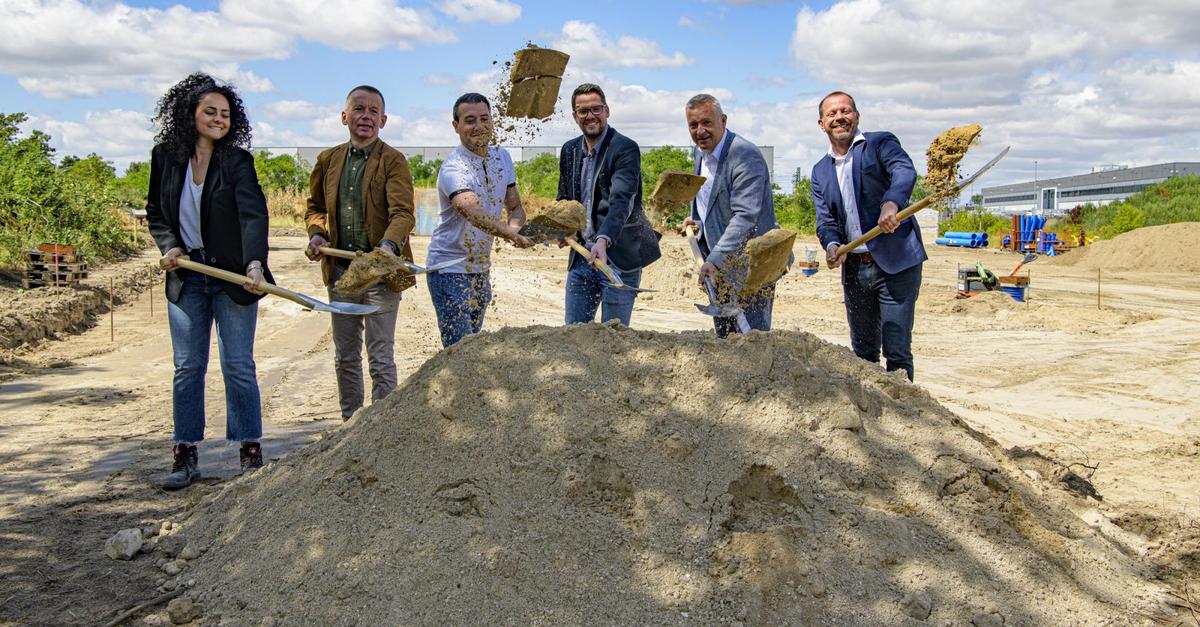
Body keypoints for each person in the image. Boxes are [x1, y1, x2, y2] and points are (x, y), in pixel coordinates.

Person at [145, 73, 271, 490]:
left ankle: (249, 451)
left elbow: (253, 215)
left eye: (225, 114)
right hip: (187, 277)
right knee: (187, 367)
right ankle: (185, 455)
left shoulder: (236, 161)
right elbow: (156, 212)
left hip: (232, 276)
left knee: (238, 365)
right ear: (191, 113)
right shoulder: (165, 157)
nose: (219, 119)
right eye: (210, 112)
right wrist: (169, 246)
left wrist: (254, 263)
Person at [304, 85, 416, 420]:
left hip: (381, 273)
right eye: (358, 109)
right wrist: (316, 235)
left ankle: (381, 428)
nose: (365, 116)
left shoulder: (393, 161)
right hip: (342, 274)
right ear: (344, 116)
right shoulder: (328, 161)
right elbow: (315, 209)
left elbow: (403, 214)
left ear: (383, 120)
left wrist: (387, 246)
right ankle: (350, 426)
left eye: (372, 111)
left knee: (381, 356)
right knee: (346, 355)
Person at [810, 91, 924, 381]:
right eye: (832, 114)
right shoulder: (820, 172)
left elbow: (903, 170)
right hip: (856, 270)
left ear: (856, 116)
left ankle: (906, 415)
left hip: (896, 264)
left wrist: (892, 202)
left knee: (897, 350)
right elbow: (825, 221)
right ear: (822, 124)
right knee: (862, 352)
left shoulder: (879, 144)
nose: (840, 117)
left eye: (845, 111)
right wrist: (833, 245)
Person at [426, 92, 533, 347]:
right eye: (470, 120)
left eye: (484, 119)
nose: (479, 127)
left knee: (472, 348)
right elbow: (472, 211)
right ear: (456, 126)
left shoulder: (502, 157)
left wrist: (515, 226)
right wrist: (509, 233)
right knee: (460, 352)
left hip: (481, 270)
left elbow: (515, 206)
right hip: (449, 270)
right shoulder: (454, 167)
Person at [556, 83, 661, 326]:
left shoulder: (624, 148)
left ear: (607, 111)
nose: (590, 116)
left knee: (614, 339)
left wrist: (603, 240)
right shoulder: (570, 150)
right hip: (581, 258)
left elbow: (622, 202)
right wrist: (563, 227)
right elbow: (564, 198)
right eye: (583, 111)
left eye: (596, 109)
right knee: (574, 335)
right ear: (575, 116)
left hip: (618, 258)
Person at [681, 93, 781, 337]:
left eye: (707, 122)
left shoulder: (744, 156)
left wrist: (714, 259)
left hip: (749, 267)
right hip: (718, 265)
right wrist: (697, 221)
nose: (700, 131)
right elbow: (709, 199)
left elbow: (745, 216)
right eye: (693, 125)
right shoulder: (700, 153)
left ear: (723, 121)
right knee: (725, 338)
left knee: (751, 340)